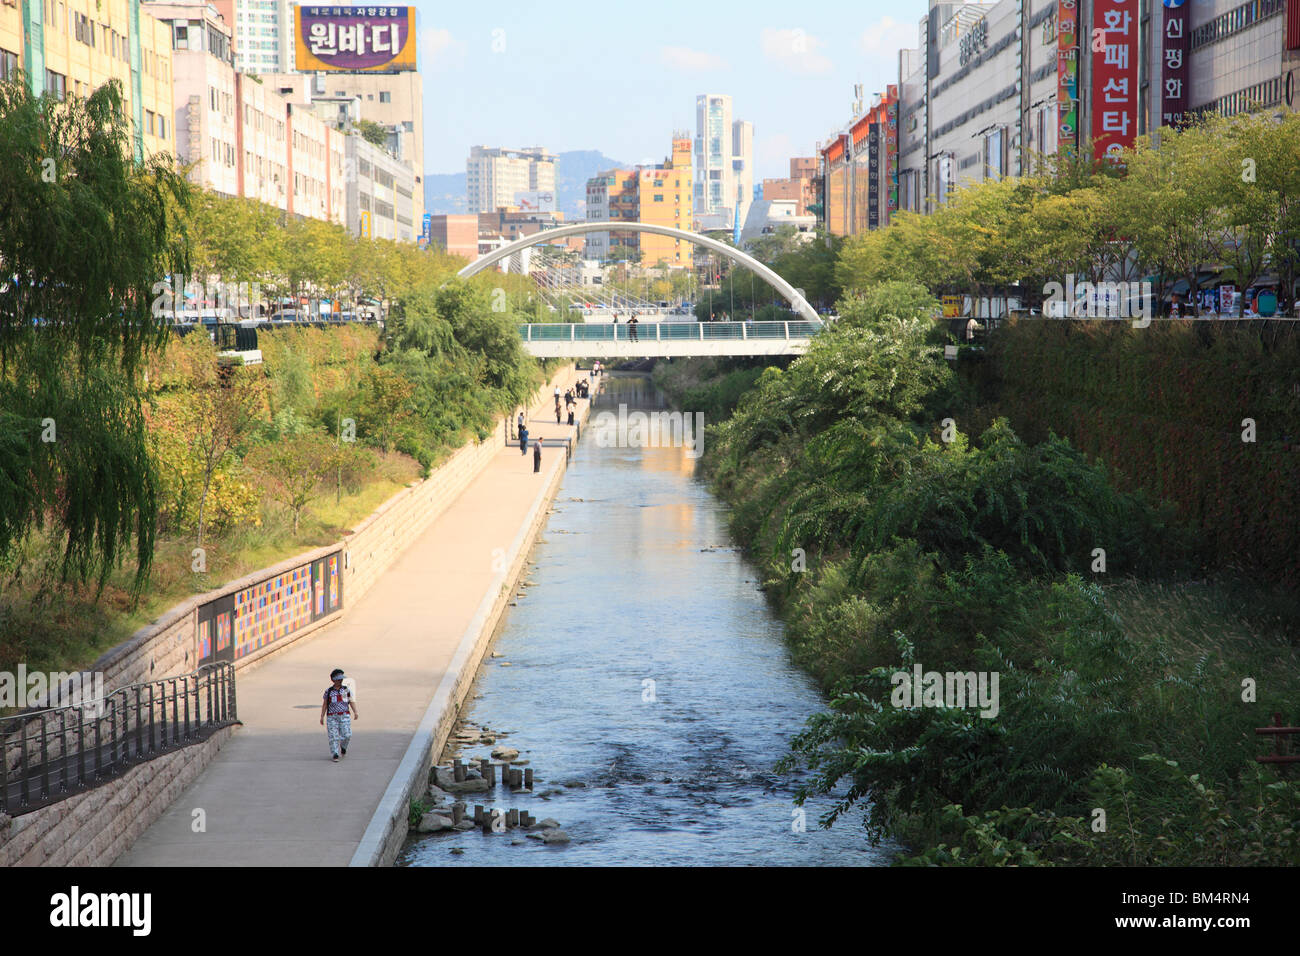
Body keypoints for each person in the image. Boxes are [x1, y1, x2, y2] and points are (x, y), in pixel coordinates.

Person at [320, 668, 358, 762]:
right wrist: (322, 716)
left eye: (341, 679)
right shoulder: (328, 691)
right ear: (333, 680)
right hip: (332, 716)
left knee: (347, 735)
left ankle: (343, 746)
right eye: (338, 679)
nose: (340, 681)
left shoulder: (345, 690)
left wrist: (355, 711)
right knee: (333, 736)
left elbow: (351, 701)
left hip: (344, 715)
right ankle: (335, 753)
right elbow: (325, 704)